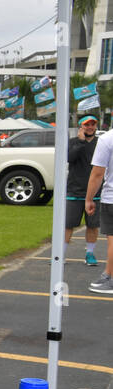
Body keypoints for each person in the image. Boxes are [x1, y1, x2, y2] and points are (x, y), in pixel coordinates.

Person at [65, 115, 100, 267]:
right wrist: (80, 141)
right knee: (68, 224)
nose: (90, 127)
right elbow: (70, 158)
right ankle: (60, 255)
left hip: (95, 193)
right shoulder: (73, 142)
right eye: (87, 125)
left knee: (93, 225)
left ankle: (90, 254)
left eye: (93, 124)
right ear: (80, 127)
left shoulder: (101, 143)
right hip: (75, 191)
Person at [87, 119, 113, 294]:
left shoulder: (107, 139)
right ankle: (108, 275)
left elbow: (97, 173)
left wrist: (89, 198)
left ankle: (110, 278)